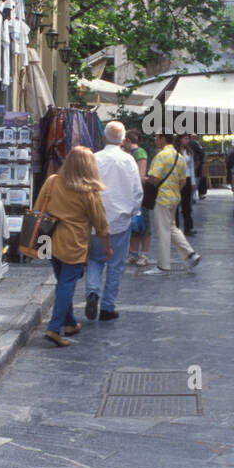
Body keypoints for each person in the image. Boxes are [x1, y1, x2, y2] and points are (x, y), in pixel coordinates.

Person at [32, 146, 111, 348]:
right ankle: (54, 327)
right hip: (73, 243)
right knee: (67, 284)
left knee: (62, 282)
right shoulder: (89, 192)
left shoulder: (52, 181)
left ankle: (69, 323)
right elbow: (101, 224)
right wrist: (107, 247)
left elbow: (37, 209)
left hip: (49, 240)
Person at [84, 121, 143, 323]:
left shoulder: (93, 158)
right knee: (116, 265)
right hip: (120, 221)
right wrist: (133, 212)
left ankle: (92, 291)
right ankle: (108, 307)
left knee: (94, 259)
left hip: (95, 221)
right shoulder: (128, 161)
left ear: (104, 137)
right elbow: (137, 191)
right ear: (123, 140)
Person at [146, 134, 199, 273]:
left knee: (163, 231)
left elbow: (154, 177)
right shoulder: (179, 156)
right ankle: (190, 254)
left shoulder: (161, 155)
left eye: (156, 138)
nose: (155, 140)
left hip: (162, 198)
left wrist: (145, 180)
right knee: (172, 227)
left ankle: (163, 266)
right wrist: (173, 191)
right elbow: (183, 181)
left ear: (163, 139)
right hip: (174, 197)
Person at [123, 130, 152, 266]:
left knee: (143, 224)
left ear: (128, 140)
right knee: (134, 225)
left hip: (140, 194)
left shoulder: (139, 153)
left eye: (123, 141)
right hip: (130, 194)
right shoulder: (128, 153)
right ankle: (133, 253)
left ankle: (144, 254)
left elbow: (141, 175)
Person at [179, 134, 197, 236]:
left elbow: (191, 167)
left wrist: (193, 182)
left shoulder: (189, 152)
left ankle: (188, 227)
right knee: (176, 204)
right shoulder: (175, 151)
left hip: (187, 177)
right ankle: (175, 227)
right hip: (177, 179)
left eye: (188, 138)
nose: (187, 140)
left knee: (186, 204)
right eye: (185, 138)